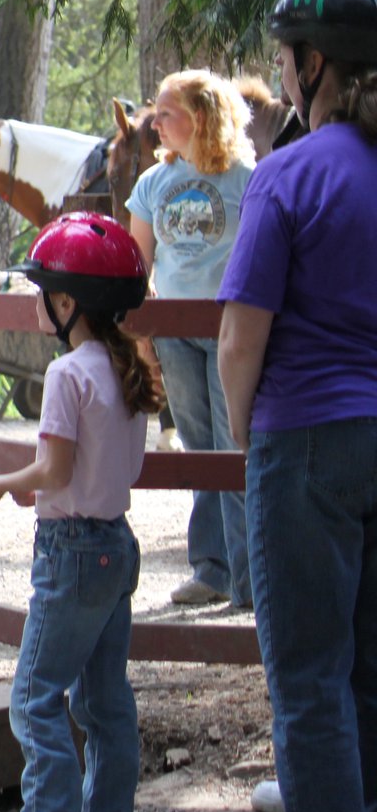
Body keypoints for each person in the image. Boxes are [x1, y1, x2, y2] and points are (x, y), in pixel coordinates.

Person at [219, 0, 377, 812]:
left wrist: (250, 438)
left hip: (308, 434)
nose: (280, 76)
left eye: (284, 60)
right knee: (370, 671)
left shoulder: (287, 176)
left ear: (313, 65)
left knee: (309, 677)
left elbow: (240, 339)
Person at [0, 212, 159, 812]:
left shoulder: (67, 374)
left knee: (35, 697)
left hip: (72, 548)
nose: (41, 302)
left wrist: (1, 485)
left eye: (45, 290)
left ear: (67, 301)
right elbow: (107, 467)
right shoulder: (126, 368)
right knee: (105, 699)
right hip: (116, 542)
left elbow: (53, 470)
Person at [126, 69, 255, 608]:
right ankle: (211, 568)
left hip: (229, 330)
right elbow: (138, 265)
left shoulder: (247, 177)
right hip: (176, 333)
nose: (154, 122)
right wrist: (141, 335)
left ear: (199, 118)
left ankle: (250, 580)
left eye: (166, 113)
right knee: (200, 448)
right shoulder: (153, 183)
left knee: (234, 447)